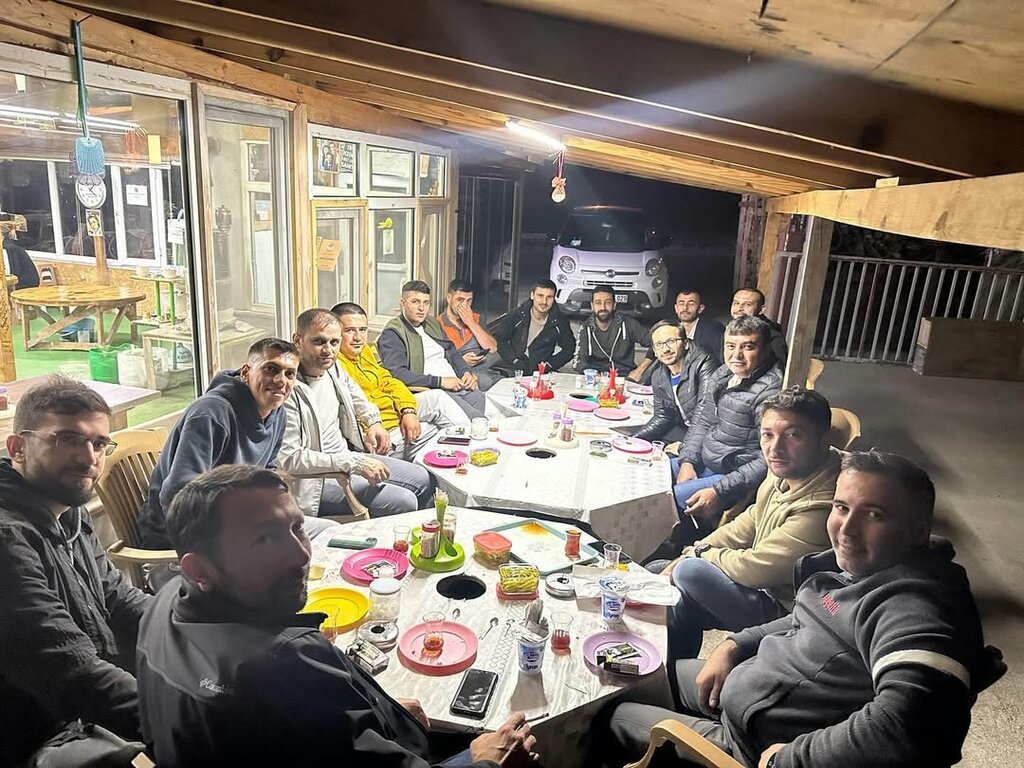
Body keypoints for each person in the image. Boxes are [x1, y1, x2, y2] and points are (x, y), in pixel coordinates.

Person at [605, 451, 992, 768]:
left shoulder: (916, 606)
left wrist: (791, 759)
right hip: (749, 691)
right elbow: (805, 616)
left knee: (608, 717)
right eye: (842, 507)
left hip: (750, 743)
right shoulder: (872, 566)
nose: (847, 528)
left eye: (874, 514)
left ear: (918, 529)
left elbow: (913, 728)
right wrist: (735, 645)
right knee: (630, 679)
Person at [137, 464, 541, 767]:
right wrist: (485, 761)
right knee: (521, 744)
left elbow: (289, 726)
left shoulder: (161, 603)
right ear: (200, 569)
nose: (300, 555)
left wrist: (380, 708)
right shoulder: (283, 663)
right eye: (264, 539)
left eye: (296, 528)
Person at [0, 377, 150, 766]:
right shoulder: (7, 537)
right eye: (68, 439)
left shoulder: (69, 513)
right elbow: (67, 667)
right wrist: (181, 718)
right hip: (34, 735)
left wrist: (198, 626)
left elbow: (118, 597)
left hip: (79, 712)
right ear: (18, 448)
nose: (89, 457)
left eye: (99, 443)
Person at [651, 387, 840, 664]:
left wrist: (699, 555)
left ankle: (675, 665)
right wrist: (697, 548)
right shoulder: (787, 469)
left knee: (689, 572)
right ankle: (672, 666)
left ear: (824, 439)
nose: (775, 448)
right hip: (762, 586)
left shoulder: (827, 504)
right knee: (661, 574)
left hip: (788, 611)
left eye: (793, 435)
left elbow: (757, 568)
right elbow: (749, 521)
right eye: (767, 434)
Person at [138, 337, 299, 548]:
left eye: (289, 374)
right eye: (271, 369)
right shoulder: (210, 414)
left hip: (239, 522)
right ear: (245, 373)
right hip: (181, 536)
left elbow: (266, 473)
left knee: (317, 533)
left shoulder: (278, 413)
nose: (280, 380)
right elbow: (178, 492)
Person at [279, 308, 434, 518]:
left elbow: (355, 394)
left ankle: (411, 533)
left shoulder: (333, 367)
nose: (328, 350)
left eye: (334, 342)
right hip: (317, 480)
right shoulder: (286, 388)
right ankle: (381, 536)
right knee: (404, 500)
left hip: (347, 458)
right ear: (298, 340)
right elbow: (290, 458)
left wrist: (373, 422)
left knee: (422, 477)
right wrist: (355, 463)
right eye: (319, 341)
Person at [672, 315, 783, 538]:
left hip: (735, 474)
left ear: (765, 349)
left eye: (748, 347)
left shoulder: (770, 391)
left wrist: (720, 490)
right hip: (708, 458)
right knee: (650, 476)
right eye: (731, 346)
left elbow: (768, 459)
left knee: (671, 498)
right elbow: (703, 421)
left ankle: (679, 548)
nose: (737, 355)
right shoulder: (724, 373)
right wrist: (688, 461)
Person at [332, 302, 470, 458]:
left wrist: (407, 410)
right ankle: (460, 458)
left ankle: (472, 451)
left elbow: (389, 381)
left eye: (362, 330)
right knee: (439, 431)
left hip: (396, 411)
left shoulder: (364, 351)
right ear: (335, 332)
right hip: (385, 433)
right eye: (349, 331)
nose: (358, 338)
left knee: (437, 398)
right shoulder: (333, 364)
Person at [378, 280, 492, 420]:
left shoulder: (432, 324)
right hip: (435, 391)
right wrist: (440, 381)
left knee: (487, 406)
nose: (422, 308)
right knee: (479, 421)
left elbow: (451, 351)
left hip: (457, 384)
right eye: (415, 302)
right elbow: (397, 374)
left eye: (426, 303)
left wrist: (466, 372)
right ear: (403, 303)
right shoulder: (393, 333)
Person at [633, 320, 718, 445]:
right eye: (659, 344)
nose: (665, 349)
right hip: (685, 430)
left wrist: (683, 447)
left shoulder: (704, 365)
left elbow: (704, 417)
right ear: (654, 351)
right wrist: (632, 439)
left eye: (671, 341)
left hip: (711, 436)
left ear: (686, 344)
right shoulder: (658, 375)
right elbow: (663, 416)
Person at [493, 278, 576, 373]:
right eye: (540, 296)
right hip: (512, 368)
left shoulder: (560, 320)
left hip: (541, 371)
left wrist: (549, 365)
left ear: (554, 298)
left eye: (549, 297)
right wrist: (513, 360)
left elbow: (570, 348)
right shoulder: (516, 315)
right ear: (532, 295)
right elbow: (499, 339)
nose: (544, 302)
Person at [574, 285, 653, 380]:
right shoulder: (585, 328)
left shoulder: (628, 323)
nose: (603, 307)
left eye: (608, 302)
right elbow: (578, 360)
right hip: (597, 378)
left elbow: (657, 342)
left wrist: (639, 371)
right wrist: (590, 372)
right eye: (598, 303)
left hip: (625, 377)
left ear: (614, 304)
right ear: (592, 306)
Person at [437, 278, 503, 389]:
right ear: (449, 298)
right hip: (461, 374)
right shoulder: (438, 324)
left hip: (488, 371)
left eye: (469, 301)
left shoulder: (476, 318)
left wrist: (471, 323)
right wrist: (461, 362)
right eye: (460, 300)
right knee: (484, 382)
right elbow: (438, 361)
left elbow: (492, 348)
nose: (465, 305)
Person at [731, 287, 788, 364]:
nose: (739, 308)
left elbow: (779, 367)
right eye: (736, 303)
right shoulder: (732, 329)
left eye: (748, 304)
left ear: (761, 309)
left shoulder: (770, 335)